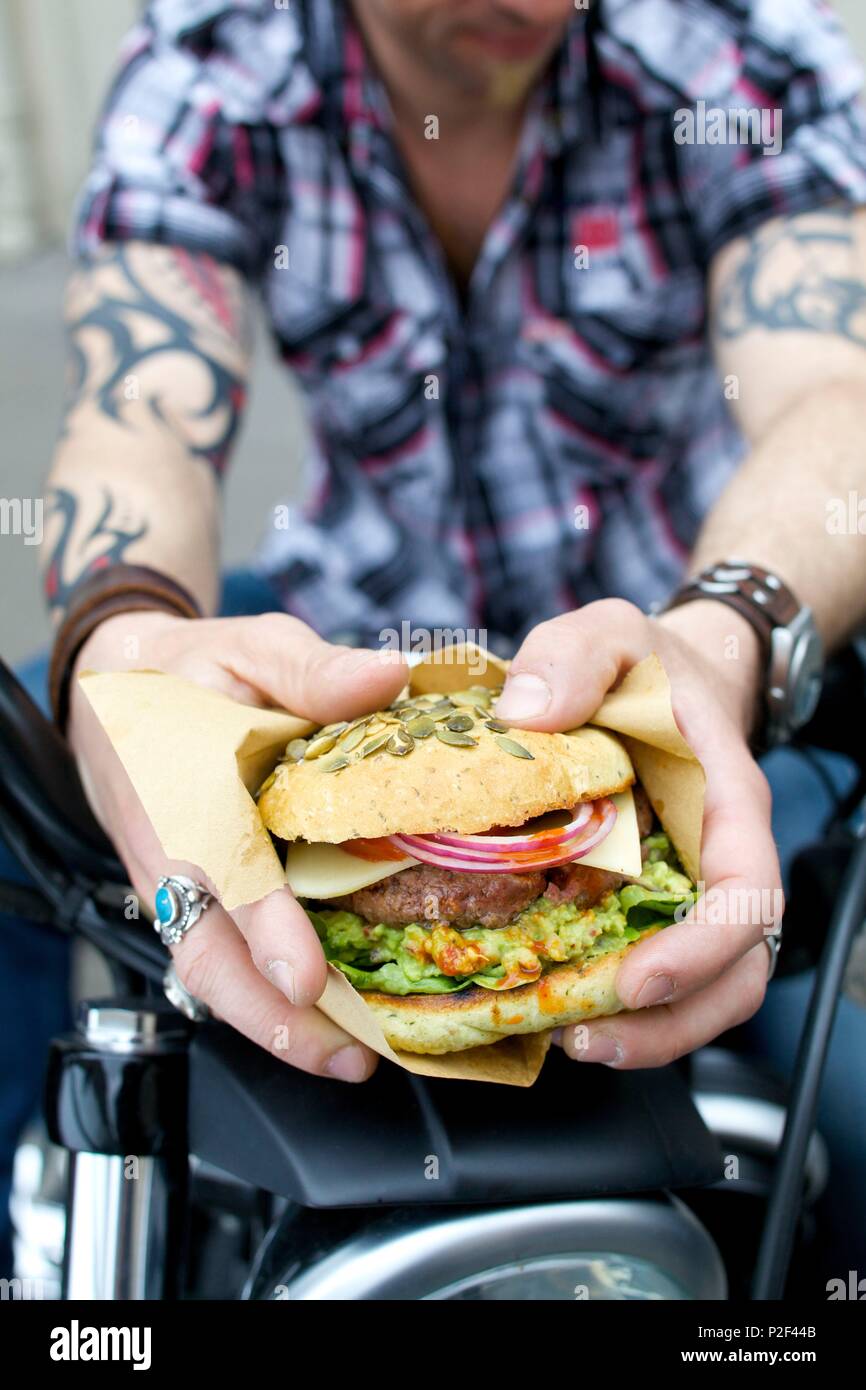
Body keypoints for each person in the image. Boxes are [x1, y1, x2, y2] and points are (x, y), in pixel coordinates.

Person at [3, 0, 866, 1284]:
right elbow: (141, 418)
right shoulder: (213, 61)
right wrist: (119, 647)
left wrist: (729, 628)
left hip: (685, 674)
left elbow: (833, 393)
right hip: (340, 660)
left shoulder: (734, 46)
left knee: (842, 1102)